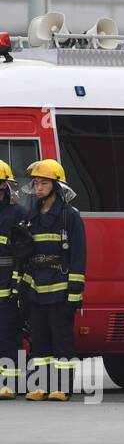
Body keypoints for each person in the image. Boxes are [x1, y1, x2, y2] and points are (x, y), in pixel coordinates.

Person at [19, 159, 85, 402]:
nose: (38, 187)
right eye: (36, 183)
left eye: (43, 183)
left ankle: (61, 387)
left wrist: (74, 292)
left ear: (55, 186)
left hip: (60, 287)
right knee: (39, 338)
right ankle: (39, 384)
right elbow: (26, 253)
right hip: (36, 286)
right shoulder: (31, 215)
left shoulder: (70, 217)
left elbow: (78, 256)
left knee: (61, 339)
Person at [0, 161, 27, 400]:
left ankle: (11, 382)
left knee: (8, 333)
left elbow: (22, 251)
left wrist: (17, 284)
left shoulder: (17, 213)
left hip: (7, 283)